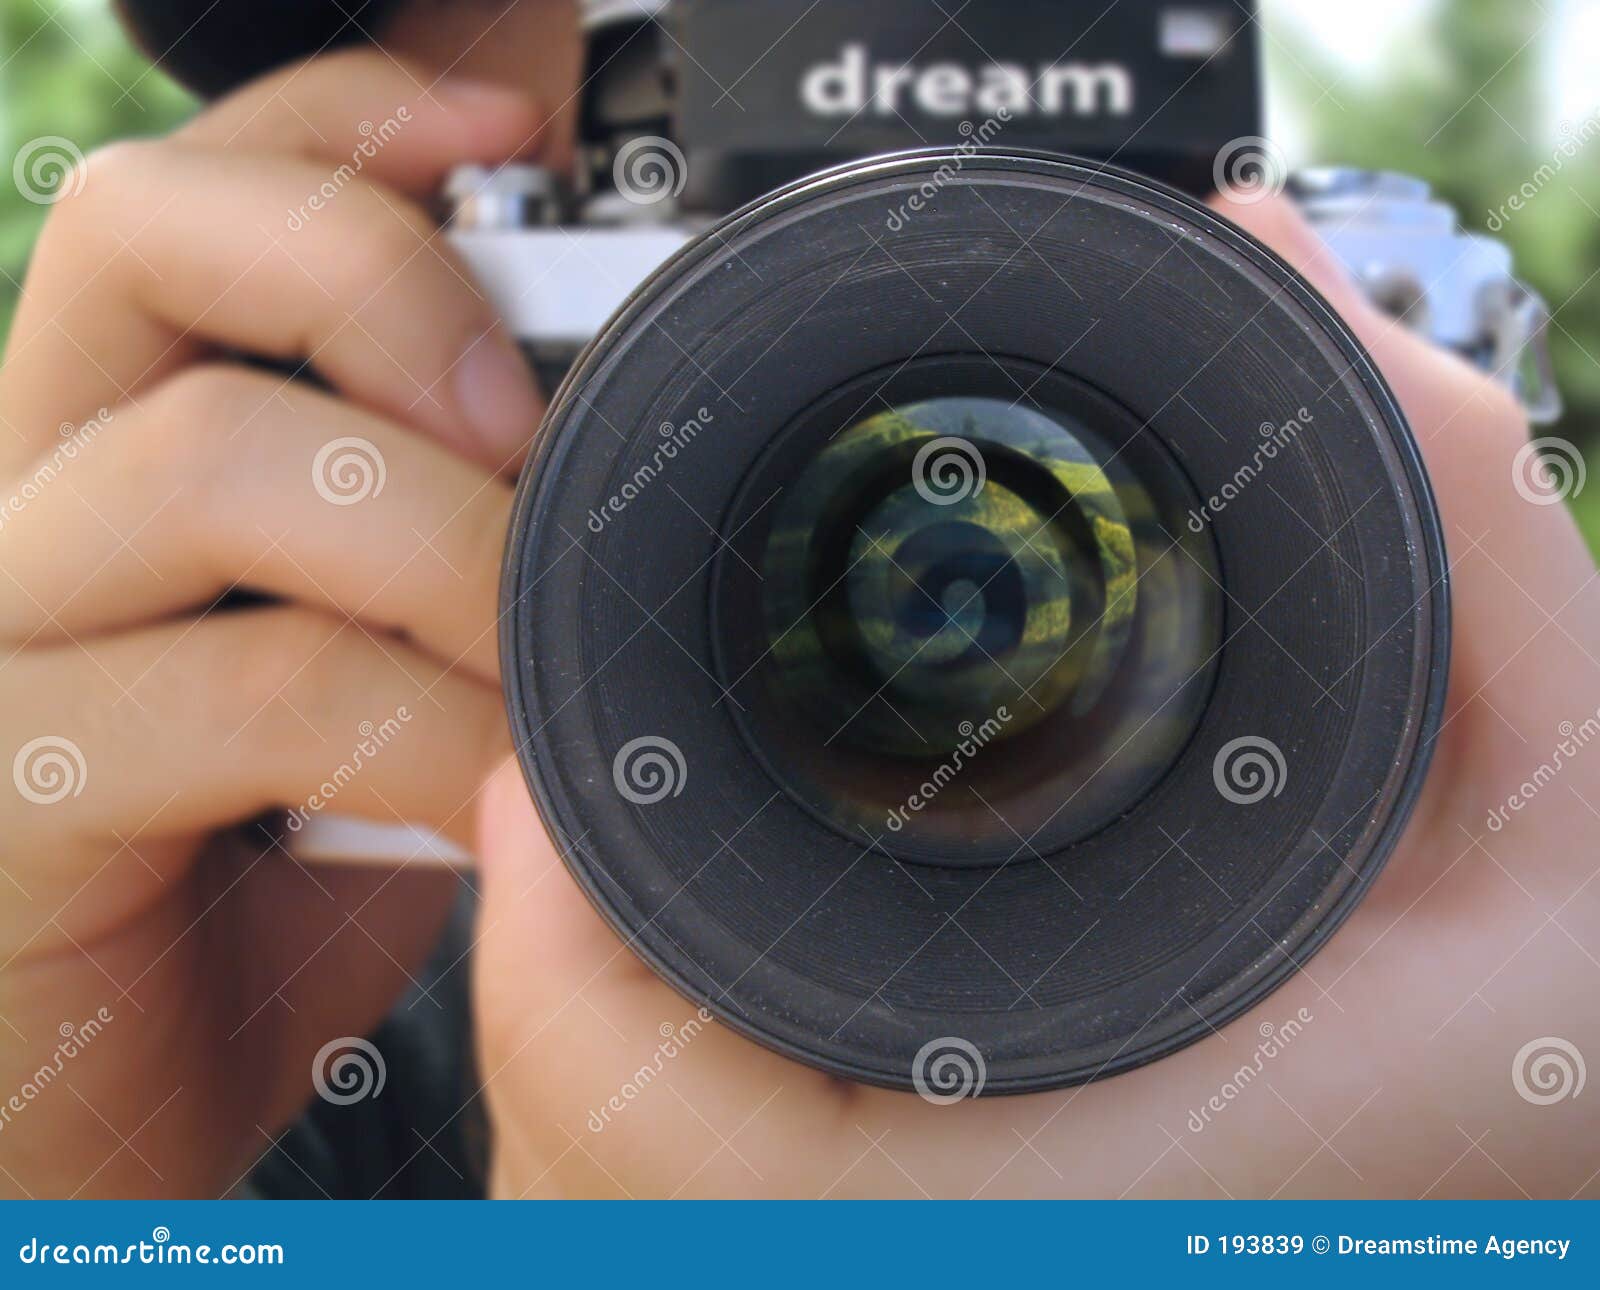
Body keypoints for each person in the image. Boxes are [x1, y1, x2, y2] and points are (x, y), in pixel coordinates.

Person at [0, 0, 1595, 1200]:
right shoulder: (290, 1004)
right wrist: (85, 1177)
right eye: (658, 269)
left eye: (1101, 241)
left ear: (1373, 342)